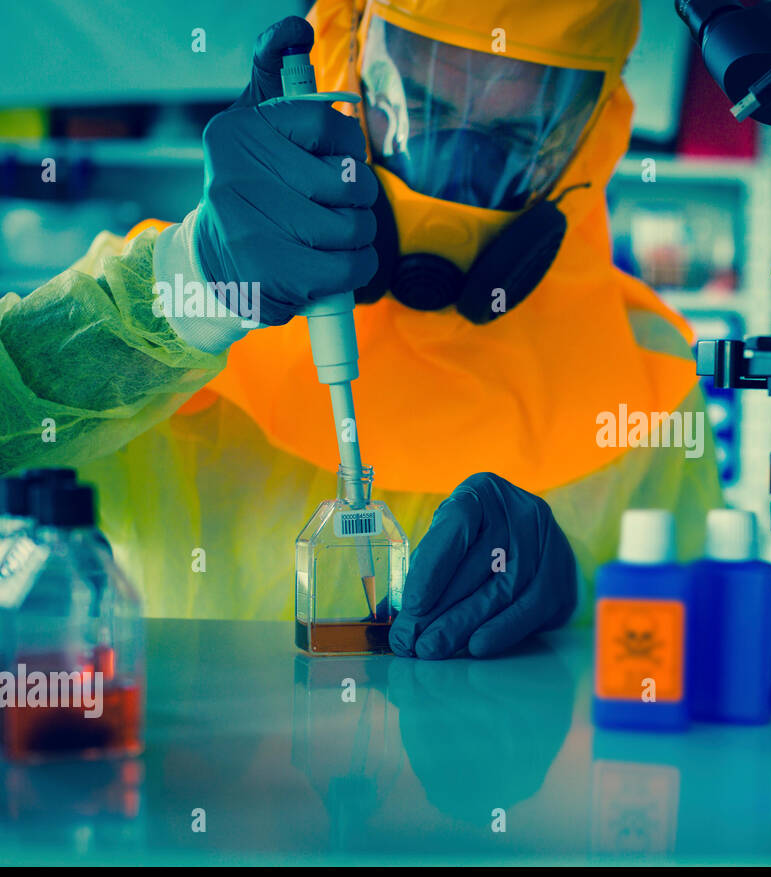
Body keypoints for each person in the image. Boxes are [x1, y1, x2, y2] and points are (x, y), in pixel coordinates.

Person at [0, 0, 721, 659]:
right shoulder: (170, 313)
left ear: (592, 138)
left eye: (513, 138)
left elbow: (696, 660)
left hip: (534, 808)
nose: (454, 177)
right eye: (420, 111)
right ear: (343, 73)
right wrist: (195, 285)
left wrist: (575, 600)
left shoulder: (647, 368)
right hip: (211, 801)